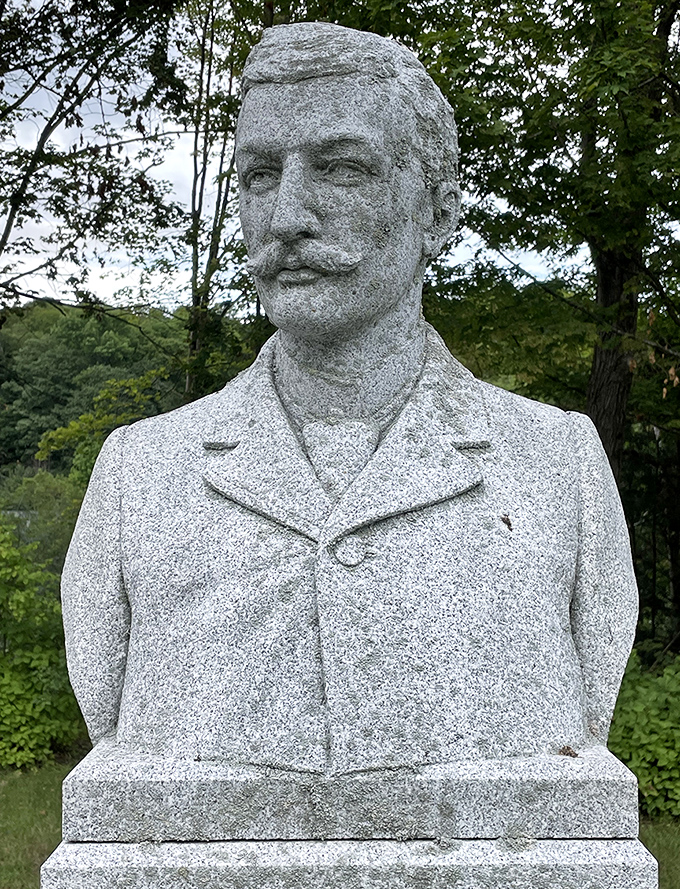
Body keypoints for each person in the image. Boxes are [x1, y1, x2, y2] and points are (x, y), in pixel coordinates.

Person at [62, 22, 637, 775]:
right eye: (260, 175)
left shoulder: (561, 465)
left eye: (340, 169)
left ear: (437, 210)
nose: (286, 216)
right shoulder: (137, 473)